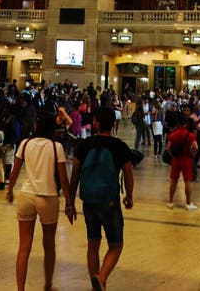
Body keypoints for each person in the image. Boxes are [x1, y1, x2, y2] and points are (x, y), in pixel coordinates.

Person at [6, 112, 74, 291]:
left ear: (36, 126)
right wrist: (69, 202)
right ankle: (48, 284)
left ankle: (21, 288)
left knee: (24, 246)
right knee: (49, 244)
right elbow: (63, 178)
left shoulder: (25, 144)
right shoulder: (55, 147)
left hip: (26, 195)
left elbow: (15, 171)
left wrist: (9, 190)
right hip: (48, 196)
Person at [69, 107, 134, 291]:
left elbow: (74, 176)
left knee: (93, 244)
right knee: (116, 244)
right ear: (114, 124)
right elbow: (128, 174)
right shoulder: (119, 146)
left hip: (89, 202)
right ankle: (102, 277)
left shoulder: (84, 145)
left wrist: (69, 203)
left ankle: (94, 282)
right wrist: (129, 197)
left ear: (95, 122)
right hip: (110, 203)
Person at [166, 115, 198, 210]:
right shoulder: (190, 135)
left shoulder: (173, 134)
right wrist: (193, 155)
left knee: (173, 181)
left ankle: (170, 202)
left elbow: (168, 148)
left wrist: (173, 155)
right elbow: (196, 147)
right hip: (187, 159)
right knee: (187, 181)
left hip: (176, 160)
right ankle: (188, 203)